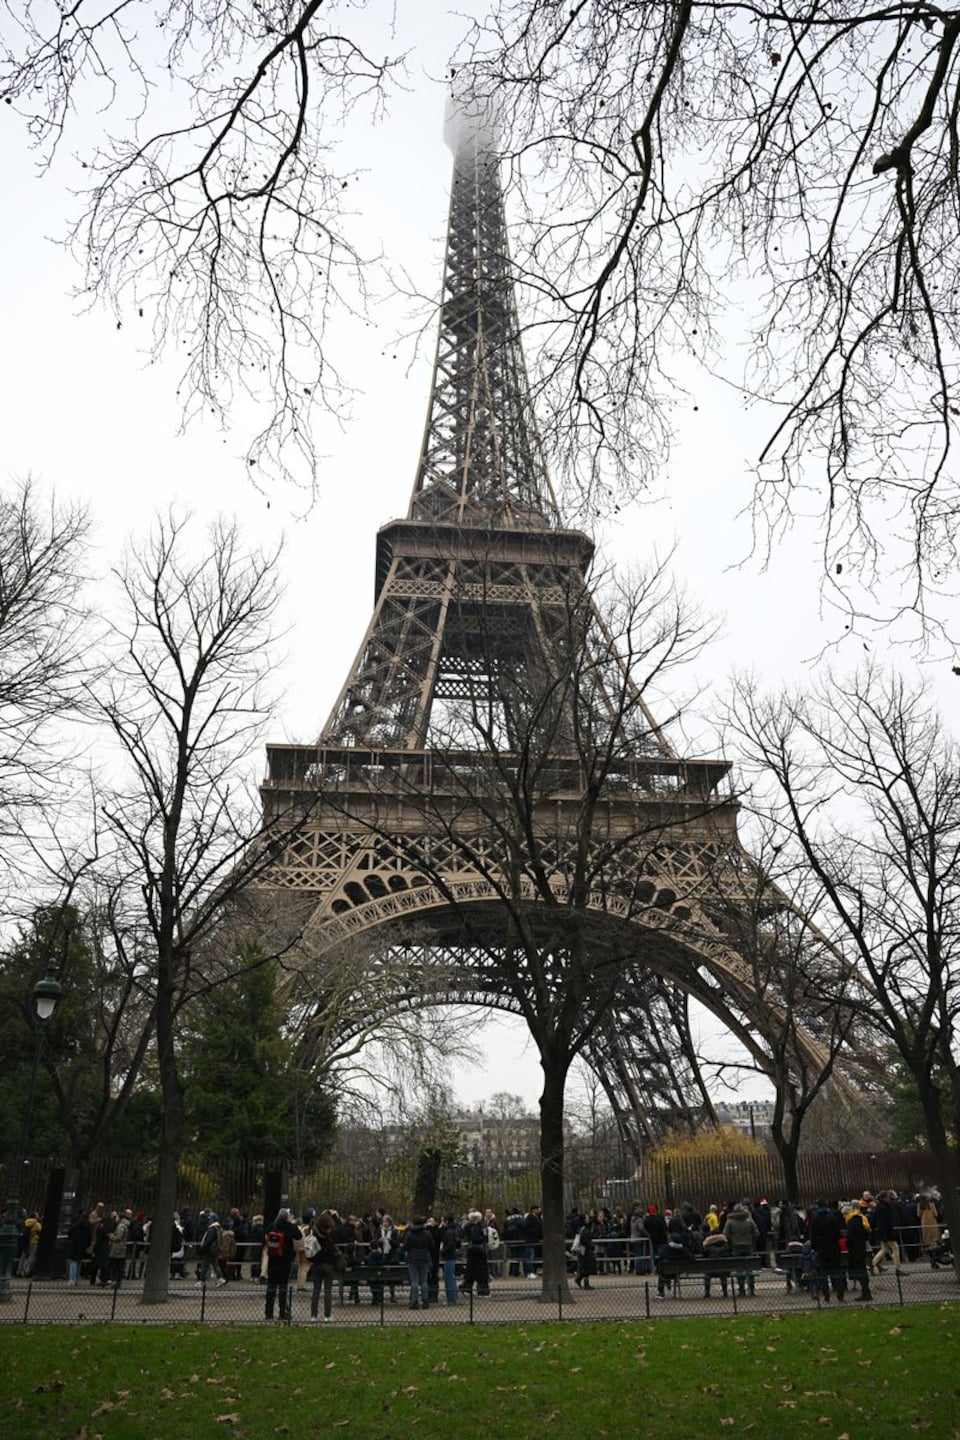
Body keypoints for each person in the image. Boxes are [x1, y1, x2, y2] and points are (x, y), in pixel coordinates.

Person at [264, 1208, 300, 1322]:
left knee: (271, 1286)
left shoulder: (271, 1226)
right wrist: (292, 1223)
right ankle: (282, 1312)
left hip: (273, 1258)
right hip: (285, 1259)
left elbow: (265, 1237)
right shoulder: (290, 1227)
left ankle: (268, 1312)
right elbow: (298, 1236)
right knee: (283, 1286)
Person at [809, 1199, 846, 1302]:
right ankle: (840, 1295)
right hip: (833, 1248)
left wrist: (814, 1247)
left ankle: (826, 1296)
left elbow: (812, 1235)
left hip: (821, 1249)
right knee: (837, 1272)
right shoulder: (832, 1217)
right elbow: (838, 1234)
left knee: (823, 1273)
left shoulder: (815, 1218)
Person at [722, 1201, 760, 1297]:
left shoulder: (730, 1221)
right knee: (749, 1268)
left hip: (736, 1246)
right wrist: (751, 1239)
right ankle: (751, 1288)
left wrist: (731, 1240)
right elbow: (756, 1233)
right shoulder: (749, 1220)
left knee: (739, 1268)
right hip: (748, 1245)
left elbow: (725, 1234)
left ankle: (741, 1288)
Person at [308, 1211, 339, 1323]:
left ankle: (313, 1315)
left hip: (316, 1265)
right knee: (328, 1291)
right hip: (328, 1264)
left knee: (316, 1291)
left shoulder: (314, 1235)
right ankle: (327, 1315)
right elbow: (332, 1251)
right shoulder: (328, 1238)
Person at [403, 1216, 435, 1310]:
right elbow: (432, 1245)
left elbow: (405, 1247)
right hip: (424, 1257)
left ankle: (414, 1301)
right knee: (424, 1280)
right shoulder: (427, 1233)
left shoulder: (410, 1234)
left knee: (414, 1281)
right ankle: (425, 1301)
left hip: (413, 1258)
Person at [460, 1211, 490, 1297]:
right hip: (478, 1251)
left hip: (472, 1251)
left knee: (471, 1271)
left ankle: (466, 1287)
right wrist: (484, 1237)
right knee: (481, 1272)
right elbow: (476, 1238)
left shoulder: (469, 1227)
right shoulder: (476, 1227)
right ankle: (482, 1290)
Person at [196, 1212, 226, 1287]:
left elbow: (208, 1241)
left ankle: (202, 1281)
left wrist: (202, 1248)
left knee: (204, 1266)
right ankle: (220, 1278)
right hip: (214, 1250)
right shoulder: (218, 1228)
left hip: (208, 1250)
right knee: (215, 1265)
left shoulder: (212, 1229)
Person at [67, 1210, 92, 1287]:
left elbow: (70, 1232)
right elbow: (90, 1236)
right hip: (83, 1246)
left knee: (73, 1262)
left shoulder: (77, 1224)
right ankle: (76, 1279)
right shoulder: (88, 1225)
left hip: (75, 1244)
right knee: (79, 1262)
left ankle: (72, 1279)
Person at [439, 1215, 460, 1304]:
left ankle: (451, 1299)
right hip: (451, 1256)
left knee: (449, 1278)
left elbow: (450, 1245)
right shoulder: (453, 1231)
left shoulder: (449, 1232)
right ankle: (454, 1297)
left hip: (449, 1256)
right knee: (451, 1277)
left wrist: (443, 1250)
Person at [573, 1212, 597, 1289]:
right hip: (585, 1251)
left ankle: (585, 1282)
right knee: (586, 1267)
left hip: (585, 1250)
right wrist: (590, 1245)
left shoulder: (582, 1229)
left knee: (586, 1267)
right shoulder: (584, 1229)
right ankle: (580, 1279)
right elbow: (583, 1239)